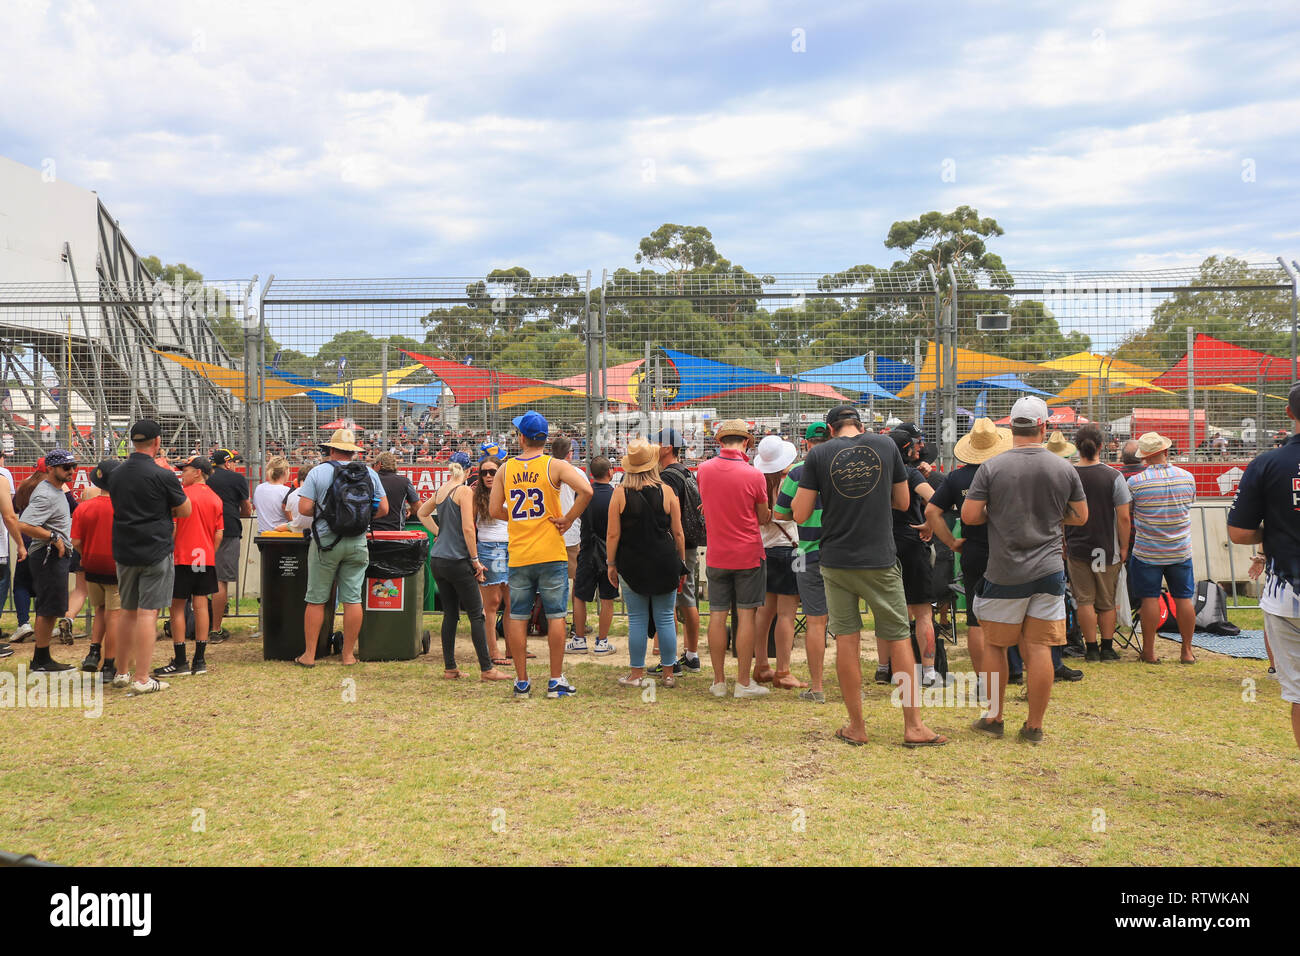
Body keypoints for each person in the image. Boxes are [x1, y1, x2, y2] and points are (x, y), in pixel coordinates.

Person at [792, 404, 947, 747]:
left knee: (847, 640)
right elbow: (904, 502)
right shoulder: (885, 445)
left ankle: (856, 727)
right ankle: (914, 726)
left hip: (835, 560)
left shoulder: (819, 457)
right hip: (879, 556)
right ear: (860, 425)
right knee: (897, 637)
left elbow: (800, 514)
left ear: (831, 430)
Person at [962, 397, 1087, 744]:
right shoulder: (1064, 468)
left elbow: (970, 516)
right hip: (1048, 570)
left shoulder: (992, 467)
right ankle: (1034, 726)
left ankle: (994, 716)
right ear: (1044, 427)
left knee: (995, 645)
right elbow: (1080, 515)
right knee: (1040, 648)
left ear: (1010, 427)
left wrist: (998, 515)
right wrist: (1050, 519)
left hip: (1004, 570)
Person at [488, 410, 592, 699]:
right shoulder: (554, 465)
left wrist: (518, 519)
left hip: (520, 553)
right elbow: (586, 490)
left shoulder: (504, 469)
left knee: (518, 616)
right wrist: (569, 518)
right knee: (557, 615)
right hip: (551, 550)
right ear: (544, 439)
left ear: (521, 438)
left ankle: (522, 682)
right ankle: (556, 680)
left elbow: (495, 510)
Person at [1227, 382, 1300, 750]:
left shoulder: (1266, 464)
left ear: (1289, 415)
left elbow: (1238, 533)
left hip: (1288, 595)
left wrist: (1271, 532)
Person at [925, 418, 1012, 705]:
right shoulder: (1008, 473)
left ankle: (982, 682)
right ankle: (1012, 673)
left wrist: (951, 541)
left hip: (974, 550)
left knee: (976, 620)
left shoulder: (958, 478)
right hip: (1010, 551)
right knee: (1014, 616)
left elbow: (932, 512)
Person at [107, 421, 191, 695]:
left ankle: (121, 671)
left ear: (132, 442)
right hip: (155, 549)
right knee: (148, 613)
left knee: (127, 612)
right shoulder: (162, 474)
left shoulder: (116, 474)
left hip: (124, 549)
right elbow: (185, 509)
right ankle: (142, 677)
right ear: (157, 442)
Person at [294, 429, 388, 667]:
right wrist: (360, 517)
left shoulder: (318, 472)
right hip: (357, 541)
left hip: (325, 543)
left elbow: (304, 508)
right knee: (352, 599)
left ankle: (309, 655)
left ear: (331, 449)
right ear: (353, 451)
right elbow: (384, 508)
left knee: (316, 599)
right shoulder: (367, 472)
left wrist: (327, 512)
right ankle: (348, 656)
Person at [417, 452, 511, 682]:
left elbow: (421, 512)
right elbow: (469, 529)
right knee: (476, 614)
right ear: (470, 472)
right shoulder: (465, 491)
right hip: (458, 560)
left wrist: (439, 532)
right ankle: (487, 669)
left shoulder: (441, 490)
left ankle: (450, 668)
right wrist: (475, 559)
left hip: (438, 559)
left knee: (450, 614)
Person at [696, 419, 770, 699]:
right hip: (748, 553)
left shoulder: (703, 470)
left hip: (717, 553)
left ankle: (718, 681)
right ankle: (742, 682)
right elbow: (763, 516)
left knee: (717, 614)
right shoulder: (754, 475)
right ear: (747, 443)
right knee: (747, 615)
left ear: (719, 442)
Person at [606, 439, 685, 689]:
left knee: (638, 619)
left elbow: (612, 535)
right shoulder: (667, 491)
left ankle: (636, 673)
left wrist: (610, 563)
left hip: (632, 563)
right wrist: (681, 562)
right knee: (664, 617)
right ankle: (669, 673)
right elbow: (679, 532)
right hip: (664, 560)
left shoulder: (620, 492)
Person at [1127, 431, 1198, 664]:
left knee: (1149, 599)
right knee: (1184, 599)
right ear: (1166, 451)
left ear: (1144, 457)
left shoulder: (1135, 483)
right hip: (1179, 549)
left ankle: (1149, 651)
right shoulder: (1187, 477)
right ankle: (1187, 651)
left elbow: (1129, 513)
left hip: (1148, 551)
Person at [151, 455, 224, 678]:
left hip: (182, 557)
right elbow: (219, 532)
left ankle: (181, 661)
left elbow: (172, 528)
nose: (182, 474)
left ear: (198, 472)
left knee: (177, 607)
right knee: (201, 606)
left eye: (186, 470)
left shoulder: (182, 496)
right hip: (204, 557)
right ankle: (199, 660)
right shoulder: (215, 498)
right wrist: (209, 551)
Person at [773, 422, 832, 702]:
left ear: (807, 443)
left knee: (815, 622)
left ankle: (817, 687)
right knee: (846, 624)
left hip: (807, 552)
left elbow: (782, 513)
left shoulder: (798, 472)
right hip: (842, 553)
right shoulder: (843, 469)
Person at [1065, 423, 1132, 663]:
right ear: (1101, 447)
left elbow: (1061, 513)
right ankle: (1107, 647)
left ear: (1076, 446)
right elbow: (1124, 517)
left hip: (1076, 547)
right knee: (1106, 600)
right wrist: (1124, 547)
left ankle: (1090, 647)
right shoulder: (1114, 476)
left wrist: (1064, 543)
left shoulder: (1068, 474)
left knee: (1084, 600)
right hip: (1106, 547)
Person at [16, 448, 80, 672]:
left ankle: (43, 657)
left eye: (74, 466)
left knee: (51, 608)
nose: (71, 471)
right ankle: (41, 660)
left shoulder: (55, 489)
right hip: (48, 555)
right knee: (47, 608)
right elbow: (23, 524)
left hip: (52, 555)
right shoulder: (46, 493)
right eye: (66, 467)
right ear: (51, 469)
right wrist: (53, 538)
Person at [752, 436, 807, 689]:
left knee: (763, 612)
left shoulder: (757, 484)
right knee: (787, 613)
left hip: (762, 551)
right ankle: (783, 670)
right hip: (790, 550)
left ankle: (761, 665)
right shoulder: (792, 483)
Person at [889, 427, 939, 688]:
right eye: (916, 444)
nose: (920, 448)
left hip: (884, 545)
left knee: (888, 613)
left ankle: (886, 668)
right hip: (911, 541)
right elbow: (935, 498)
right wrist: (929, 522)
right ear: (906, 448)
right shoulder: (908, 473)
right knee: (922, 613)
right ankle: (929, 671)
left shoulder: (879, 474)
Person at [653, 428, 704, 671]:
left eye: (656, 443)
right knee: (686, 597)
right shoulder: (685, 471)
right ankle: (690, 654)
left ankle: (673, 659)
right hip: (688, 541)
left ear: (666, 448)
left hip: (677, 543)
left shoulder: (669, 476)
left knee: (677, 599)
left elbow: (666, 511)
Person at [72, 461, 120, 680]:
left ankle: (93, 651)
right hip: (116, 566)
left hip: (91, 565)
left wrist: (86, 554)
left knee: (100, 609)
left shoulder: (83, 507)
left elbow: (76, 540)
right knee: (114, 615)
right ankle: (109, 665)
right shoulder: (123, 507)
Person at [570, 455, 617, 656]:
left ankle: (579, 639)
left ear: (591, 474)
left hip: (587, 549)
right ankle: (602, 642)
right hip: (610, 552)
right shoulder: (616, 495)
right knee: (607, 598)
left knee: (580, 596)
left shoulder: (584, 493)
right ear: (610, 472)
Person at [471, 450, 512, 666]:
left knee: (512, 602)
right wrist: (474, 557)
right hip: (489, 548)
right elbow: (468, 526)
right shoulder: (476, 495)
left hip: (512, 547)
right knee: (492, 603)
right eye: (484, 473)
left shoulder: (510, 491)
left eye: (492, 472)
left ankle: (512, 648)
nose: (488, 476)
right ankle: (493, 651)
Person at [206, 449, 251, 643]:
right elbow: (247, 509)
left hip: (203, 530)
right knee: (220, 580)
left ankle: (195, 625)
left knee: (198, 579)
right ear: (228, 463)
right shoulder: (236, 478)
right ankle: (215, 629)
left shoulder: (205, 477)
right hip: (228, 529)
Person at [550, 436, 584, 647]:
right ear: (569, 453)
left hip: (552, 530)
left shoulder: (546, 468)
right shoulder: (576, 472)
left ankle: (557, 620)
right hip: (570, 531)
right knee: (575, 581)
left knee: (556, 580)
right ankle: (570, 622)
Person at [372, 452, 419, 531]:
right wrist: (408, 511)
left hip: (372, 532)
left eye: (374, 464)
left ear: (379, 464)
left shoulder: (370, 480)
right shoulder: (404, 482)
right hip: (396, 533)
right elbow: (418, 508)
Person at [252, 456, 293, 534]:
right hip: (281, 535)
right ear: (285, 472)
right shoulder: (286, 491)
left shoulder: (259, 488)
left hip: (263, 534)